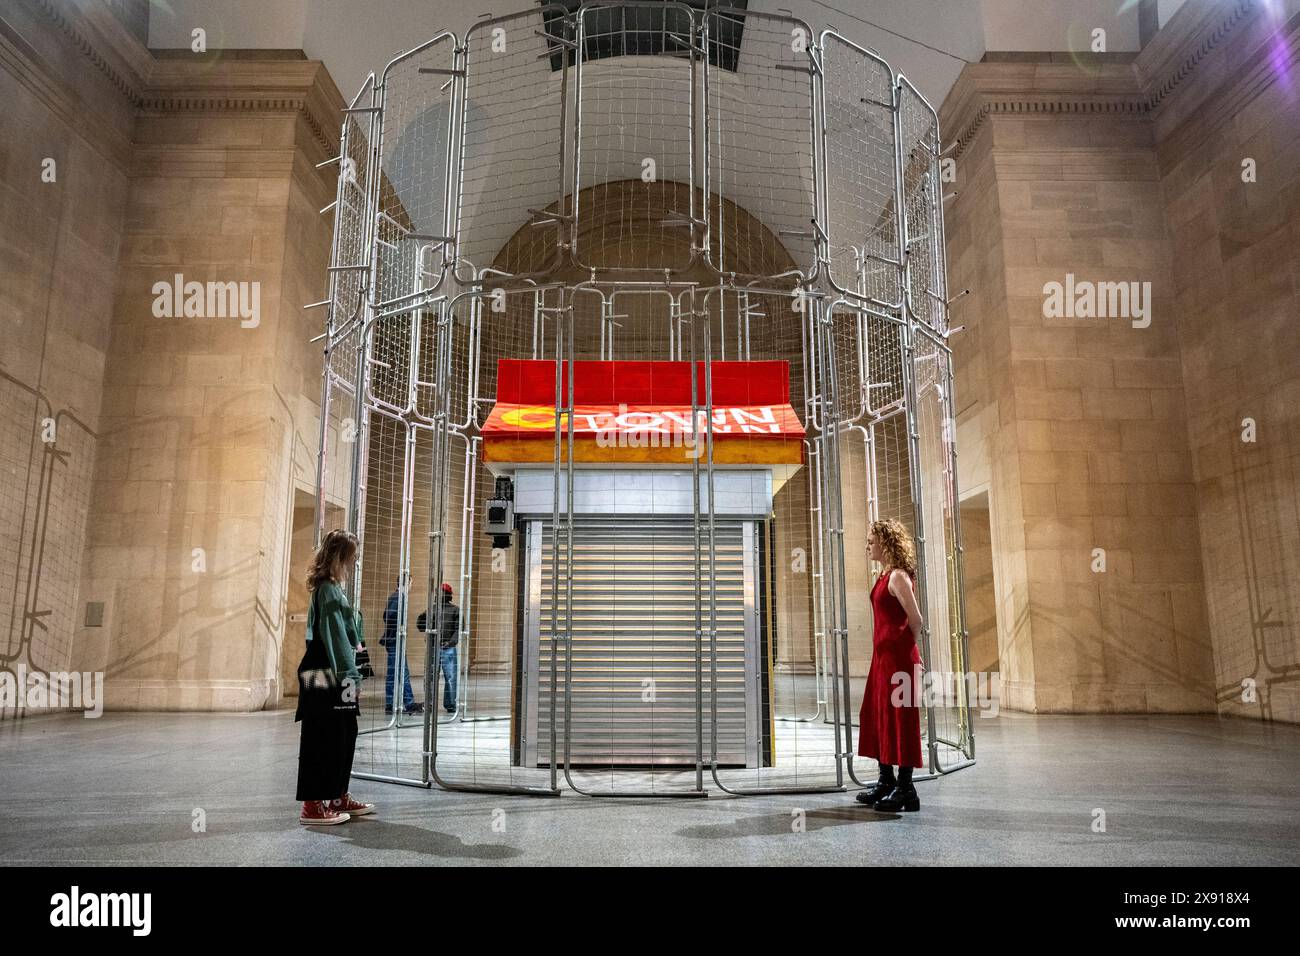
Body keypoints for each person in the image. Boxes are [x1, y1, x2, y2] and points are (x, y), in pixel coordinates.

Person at [294, 529, 375, 826]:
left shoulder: (332, 588)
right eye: (351, 557)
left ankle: (337, 795)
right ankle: (313, 805)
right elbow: (335, 638)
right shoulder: (328, 589)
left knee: (344, 732)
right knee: (321, 735)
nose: (354, 563)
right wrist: (351, 679)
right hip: (324, 670)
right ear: (340, 557)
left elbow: (347, 631)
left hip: (330, 668)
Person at [855, 518, 926, 813]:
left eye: (872, 541)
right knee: (878, 715)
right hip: (882, 660)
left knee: (902, 720)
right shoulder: (884, 575)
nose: (868, 545)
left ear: (886, 543)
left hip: (899, 661)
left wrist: (901, 649)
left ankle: (906, 788)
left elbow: (917, 621)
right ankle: (886, 780)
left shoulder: (898, 577)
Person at [380, 583, 423, 716]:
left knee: (400, 672)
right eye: (411, 583)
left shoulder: (398, 597)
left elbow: (386, 615)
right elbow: (389, 615)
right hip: (395, 641)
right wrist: (398, 630)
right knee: (398, 672)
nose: (411, 586)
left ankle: (401, 702)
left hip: (396, 640)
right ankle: (402, 703)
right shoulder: (398, 597)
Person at [418, 583, 460, 714]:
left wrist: (451, 642)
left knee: (450, 677)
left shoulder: (454, 610)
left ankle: (450, 703)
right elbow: (420, 624)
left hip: (446, 648)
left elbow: (458, 628)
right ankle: (431, 703)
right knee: (432, 676)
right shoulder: (432, 609)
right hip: (435, 647)